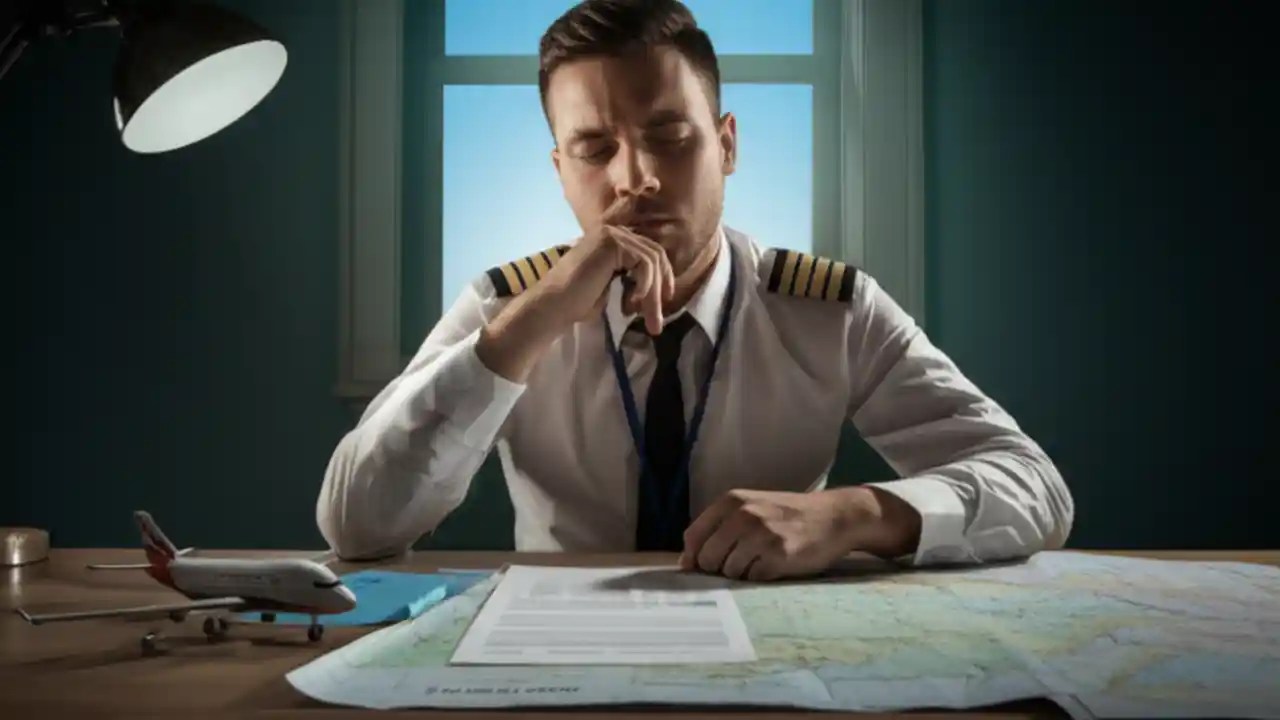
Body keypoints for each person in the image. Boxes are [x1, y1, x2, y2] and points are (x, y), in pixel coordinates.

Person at [316, 0, 1074, 581]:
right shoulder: (505, 307)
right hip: (553, 652)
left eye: (670, 137)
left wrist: (853, 514)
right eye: (594, 149)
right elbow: (356, 527)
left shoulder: (829, 310)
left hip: (772, 647)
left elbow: (1035, 488)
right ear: (559, 171)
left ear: (729, 146)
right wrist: (532, 323)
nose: (633, 178)